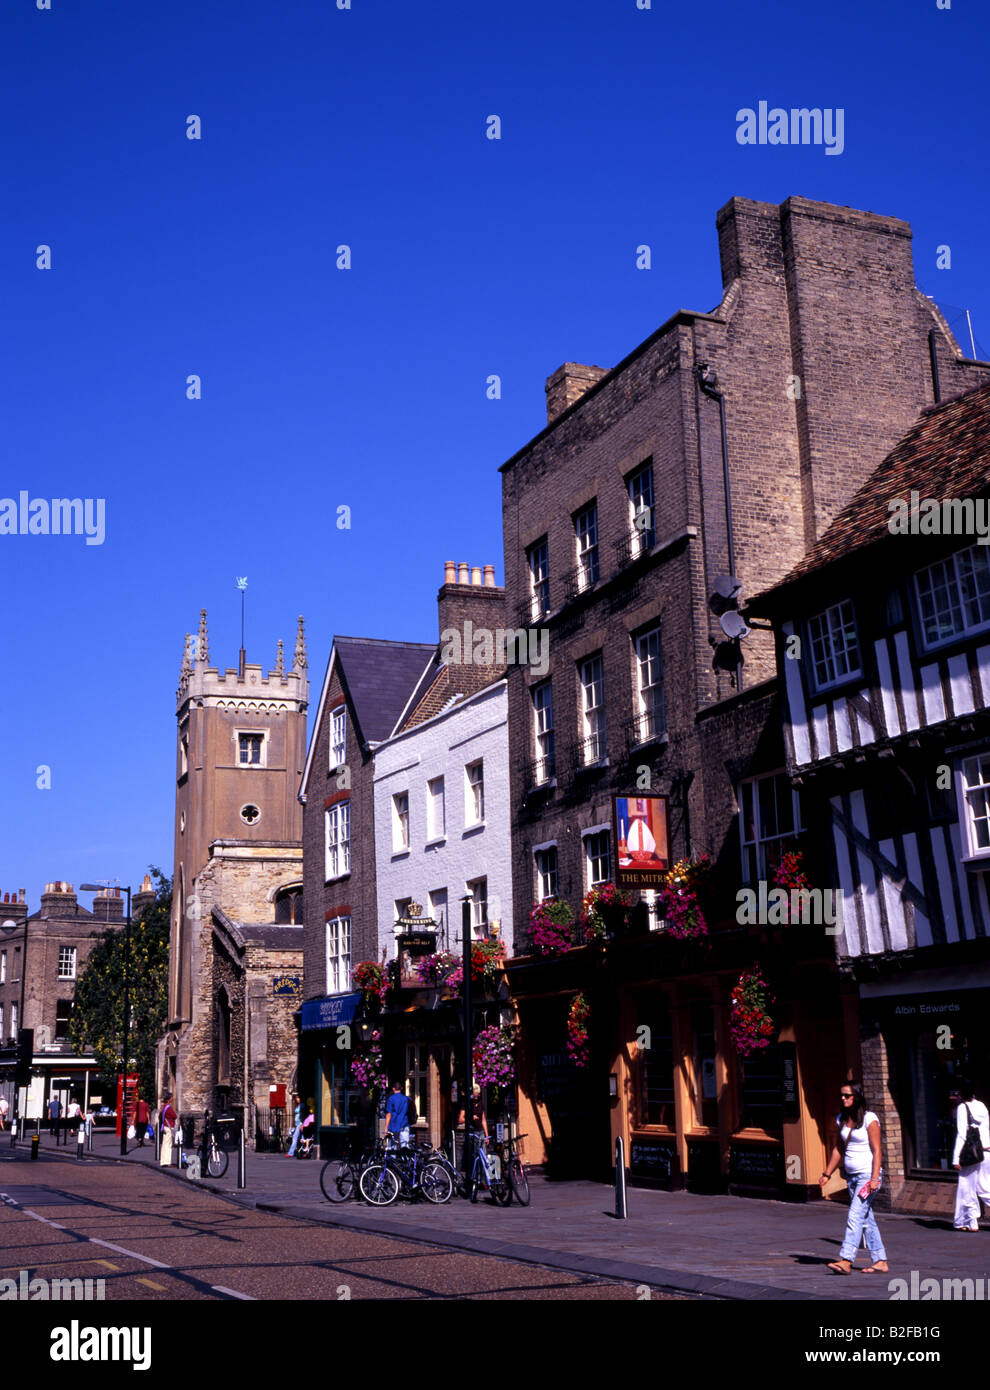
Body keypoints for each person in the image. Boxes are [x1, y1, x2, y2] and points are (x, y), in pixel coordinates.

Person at [820, 1081, 888, 1275]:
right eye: (841, 1095)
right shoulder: (841, 1118)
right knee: (866, 1218)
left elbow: (877, 1150)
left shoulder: (869, 1119)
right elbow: (839, 1149)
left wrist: (875, 1178)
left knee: (855, 1215)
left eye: (847, 1095)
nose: (843, 1098)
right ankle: (880, 1260)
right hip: (851, 1177)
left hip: (867, 1176)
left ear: (857, 1097)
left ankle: (846, 1259)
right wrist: (827, 1173)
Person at [951, 1080, 990, 1231]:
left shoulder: (962, 1108)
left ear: (961, 1093)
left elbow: (962, 1134)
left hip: (972, 1154)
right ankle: (968, 1221)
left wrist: (956, 1158)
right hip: (986, 1151)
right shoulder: (982, 1106)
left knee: (966, 1187)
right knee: (985, 1187)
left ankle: (970, 1222)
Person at [383, 1080, 412, 1148]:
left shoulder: (391, 1099)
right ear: (401, 1088)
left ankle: (393, 1158)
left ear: (393, 1088)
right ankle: (405, 1158)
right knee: (405, 1146)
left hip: (393, 1126)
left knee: (392, 1147)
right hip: (404, 1124)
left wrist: (386, 1127)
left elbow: (389, 1114)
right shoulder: (406, 1099)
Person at [286, 1093, 308, 1157]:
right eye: (296, 1098)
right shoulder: (297, 1106)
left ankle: (291, 1152)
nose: (297, 1099)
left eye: (298, 1098)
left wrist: (303, 1124)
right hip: (297, 1123)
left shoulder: (302, 1105)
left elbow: (303, 1115)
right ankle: (304, 1151)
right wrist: (294, 1125)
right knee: (302, 1138)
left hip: (301, 1123)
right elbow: (296, 1116)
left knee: (295, 1137)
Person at [159, 1093, 177, 1167]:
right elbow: (175, 1116)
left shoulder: (164, 1107)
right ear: (169, 1099)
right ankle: (168, 1162)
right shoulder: (169, 1108)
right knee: (168, 1145)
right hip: (169, 1127)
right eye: (172, 1097)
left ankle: (163, 1161)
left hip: (165, 1126)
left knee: (164, 1144)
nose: (173, 1099)